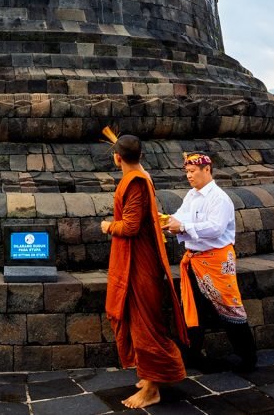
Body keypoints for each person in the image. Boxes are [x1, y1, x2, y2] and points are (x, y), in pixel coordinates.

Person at [100, 133, 187, 408]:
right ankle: (148, 373)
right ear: (141, 156)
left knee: (145, 322)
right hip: (136, 259)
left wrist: (108, 226)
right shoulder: (142, 176)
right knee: (137, 317)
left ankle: (152, 387)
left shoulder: (135, 182)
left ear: (117, 158)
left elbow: (130, 227)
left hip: (139, 262)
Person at [164, 152, 257, 372]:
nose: (189, 176)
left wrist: (183, 227)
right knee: (194, 307)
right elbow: (180, 216)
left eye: (192, 171)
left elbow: (216, 228)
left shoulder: (219, 198)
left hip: (216, 262)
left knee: (230, 308)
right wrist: (166, 221)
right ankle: (192, 353)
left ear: (207, 170)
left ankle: (248, 357)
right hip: (195, 260)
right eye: (187, 172)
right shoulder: (192, 195)